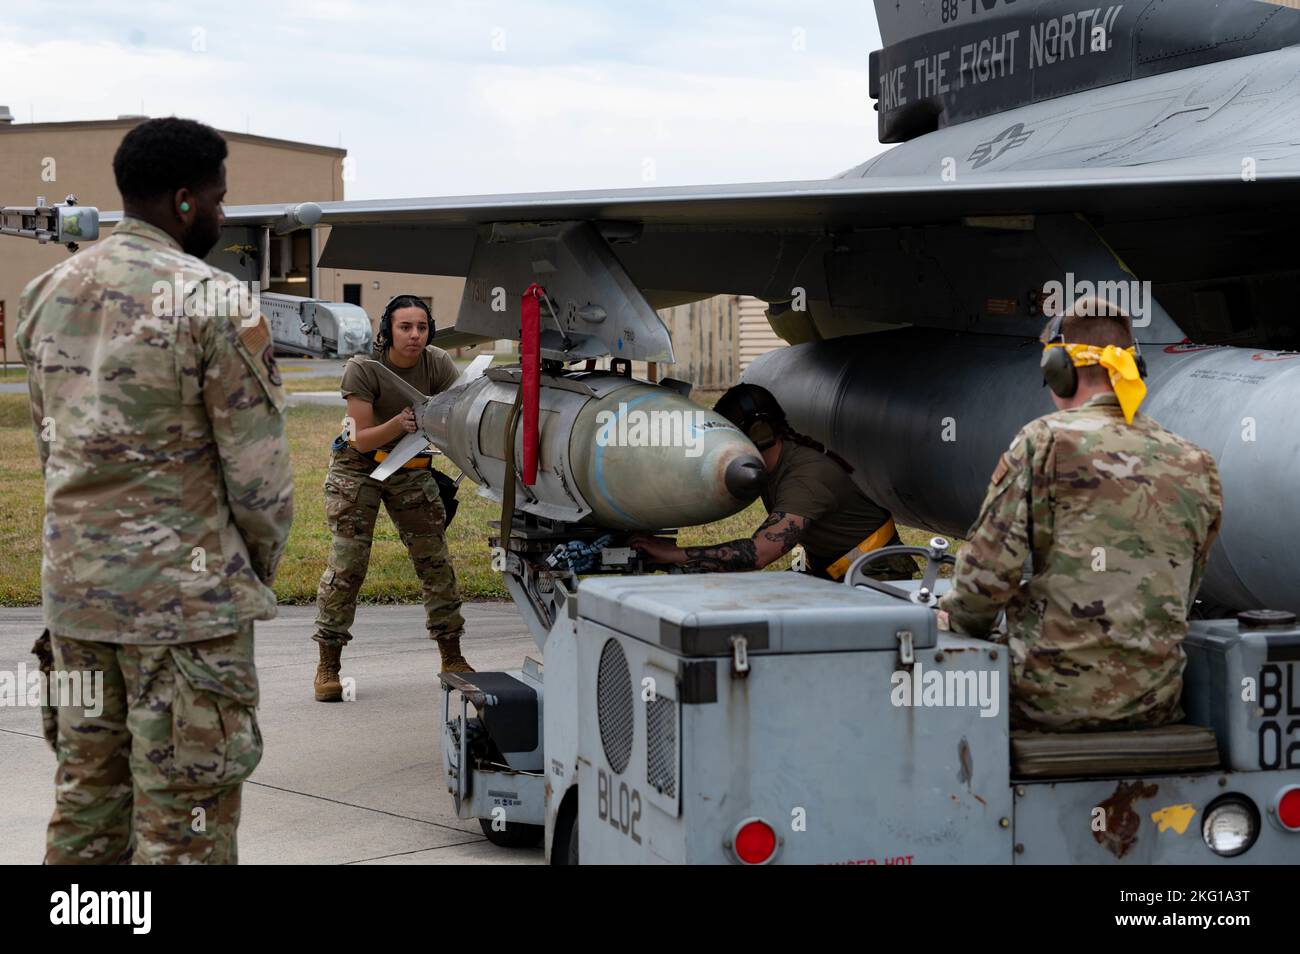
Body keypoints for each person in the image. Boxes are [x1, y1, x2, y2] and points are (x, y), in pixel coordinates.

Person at [16, 117, 293, 864]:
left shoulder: (46, 293)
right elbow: (260, 483)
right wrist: (249, 576)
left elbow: (51, 449)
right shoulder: (216, 300)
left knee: (85, 810)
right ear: (182, 201)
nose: (223, 214)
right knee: (184, 827)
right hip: (186, 616)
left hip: (78, 601)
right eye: (218, 198)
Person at [937, 297, 1223, 732]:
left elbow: (984, 584)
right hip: (1156, 704)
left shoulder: (1043, 443)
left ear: (1058, 369)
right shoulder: (1194, 462)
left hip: (1045, 703)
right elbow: (1184, 590)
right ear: (1135, 367)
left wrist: (952, 618)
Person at [311, 294, 471, 701]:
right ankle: (328, 664)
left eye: (421, 327)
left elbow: (458, 412)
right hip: (357, 467)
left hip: (410, 467)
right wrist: (400, 423)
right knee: (348, 563)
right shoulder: (363, 368)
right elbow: (361, 439)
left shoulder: (437, 363)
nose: (415, 335)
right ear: (387, 330)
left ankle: (452, 655)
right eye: (405, 327)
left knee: (434, 559)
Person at [631, 383, 915, 579]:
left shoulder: (805, 478)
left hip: (879, 576)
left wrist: (673, 554)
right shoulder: (776, 461)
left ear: (757, 434)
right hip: (835, 570)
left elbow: (759, 553)